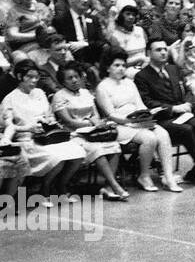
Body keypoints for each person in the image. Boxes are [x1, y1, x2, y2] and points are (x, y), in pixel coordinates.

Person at [134, 39, 195, 186]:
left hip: (183, 116)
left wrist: (189, 102)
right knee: (186, 130)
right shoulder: (142, 76)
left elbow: (188, 89)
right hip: (161, 120)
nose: (163, 52)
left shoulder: (173, 69)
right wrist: (173, 109)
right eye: (158, 50)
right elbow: (147, 103)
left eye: (165, 49)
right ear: (149, 53)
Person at [1, 60, 92, 203]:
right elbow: (9, 126)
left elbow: (49, 114)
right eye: (29, 77)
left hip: (47, 136)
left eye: (36, 77)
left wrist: (49, 120)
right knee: (57, 158)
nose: (33, 81)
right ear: (19, 77)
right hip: (27, 139)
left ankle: (60, 184)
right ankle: (45, 189)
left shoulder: (39, 93)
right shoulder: (10, 99)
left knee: (78, 152)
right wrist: (28, 128)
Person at [95, 52, 180, 193]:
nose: (121, 68)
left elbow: (140, 104)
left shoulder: (129, 82)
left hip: (138, 121)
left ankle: (168, 176)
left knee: (163, 134)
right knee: (149, 138)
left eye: (123, 65)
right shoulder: (102, 87)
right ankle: (144, 175)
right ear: (108, 68)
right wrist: (130, 121)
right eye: (116, 65)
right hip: (118, 125)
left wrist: (146, 115)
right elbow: (110, 114)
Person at [50, 63, 130, 201]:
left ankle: (107, 186)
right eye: (69, 78)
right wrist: (91, 123)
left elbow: (96, 115)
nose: (74, 80)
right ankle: (115, 185)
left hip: (92, 132)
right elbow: (69, 121)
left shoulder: (86, 93)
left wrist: (96, 124)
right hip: (73, 135)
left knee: (114, 146)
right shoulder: (59, 96)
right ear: (63, 81)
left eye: (76, 76)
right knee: (97, 149)